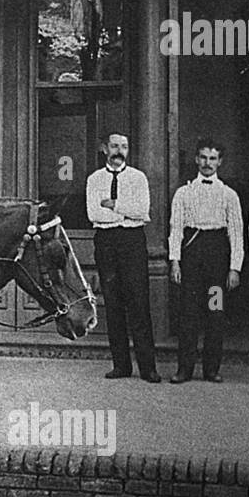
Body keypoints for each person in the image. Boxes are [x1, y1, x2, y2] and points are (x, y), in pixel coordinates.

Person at [168, 138, 244, 383]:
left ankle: (212, 368)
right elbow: (176, 228)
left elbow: (236, 232)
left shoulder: (229, 195)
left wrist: (234, 267)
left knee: (215, 311)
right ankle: (184, 369)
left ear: (220, 161)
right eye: (203, 157)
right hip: (192, 253)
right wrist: (175, 261)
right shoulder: (184, 192)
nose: (207, 163)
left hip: (217, 256)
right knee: (188, 314)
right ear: (196, 160)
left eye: (212, 158)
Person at [87, 132, 160, 382]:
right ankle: (121, 365)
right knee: (114, 304)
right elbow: (93, 214)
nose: (119, 150)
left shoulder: (138, 178)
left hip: (132, 242)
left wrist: (114, 206)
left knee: (139, 303)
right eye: (115, 146)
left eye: (124, 146)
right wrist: (124, 214)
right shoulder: (94, 179)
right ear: (104, 148)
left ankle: (148, 367)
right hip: (106, 243)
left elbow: (143, 212)